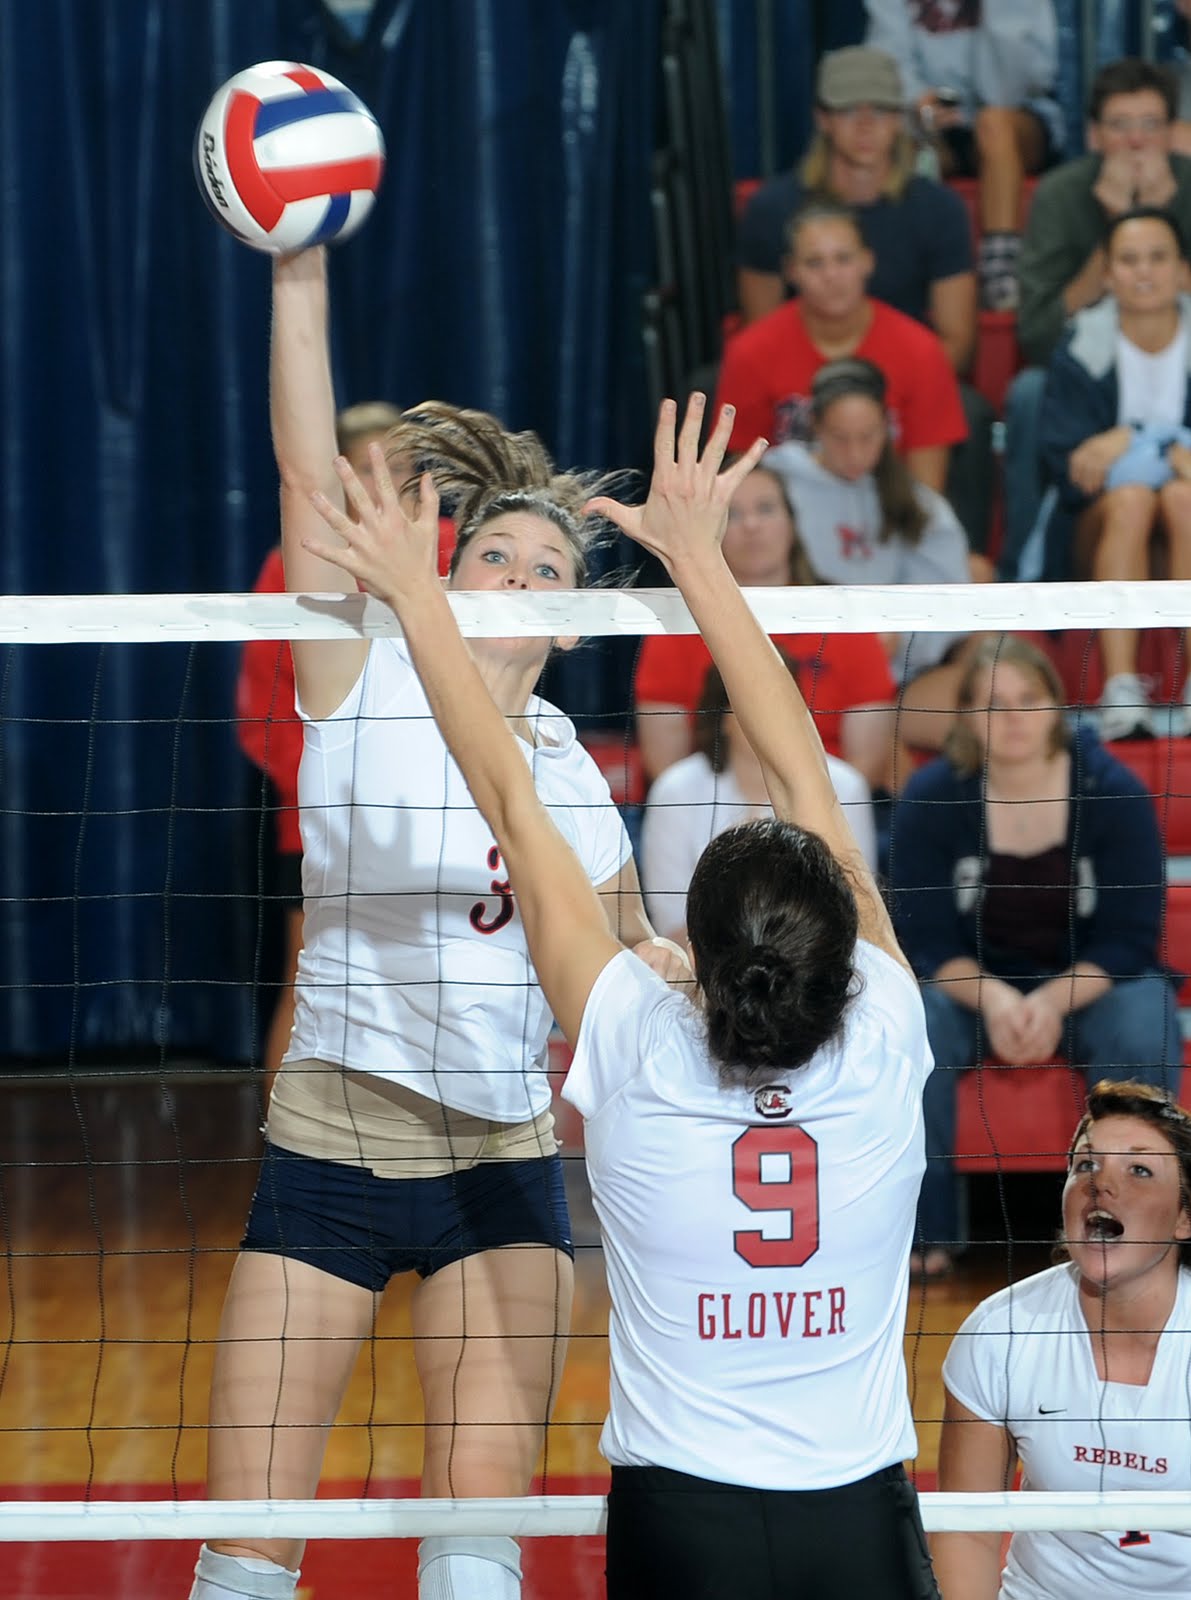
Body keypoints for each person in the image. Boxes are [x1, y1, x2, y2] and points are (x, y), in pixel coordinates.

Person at [303, 390, 940, 1599]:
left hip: (680, 1515)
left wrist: (419, 594)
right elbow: (807, 766)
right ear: (844, 955)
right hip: (853, 1514)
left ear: (691, 947)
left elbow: (503, 786)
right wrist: (701, 557)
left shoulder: (636, 1039)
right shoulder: (887, 1032)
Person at [188, 247, 683, 1600]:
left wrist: (736, 979)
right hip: (334, 1141)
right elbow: (304, 478)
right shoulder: (360, 673)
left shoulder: (579, 774)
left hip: (503, 1163)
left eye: (547, 565)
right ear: (443, 572)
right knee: (244, 1561)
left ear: (578, 618)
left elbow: (634, 954)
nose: (523, 575)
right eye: (495, 554)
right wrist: (298, 272)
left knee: (475, 1562)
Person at [889, 634, 1180, 1280]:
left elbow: (1132, 936)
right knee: (914, 1022)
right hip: (967, 985)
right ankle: (922, 1234)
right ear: (964, 716)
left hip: (1087, 981)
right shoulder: (932, 798)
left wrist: (1048, 1000)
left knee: (1143, 1019)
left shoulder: (1111, 790)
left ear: (1055, 705)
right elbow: (924, 939)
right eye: (992, 704)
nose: (1012, 718)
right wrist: (994, 998)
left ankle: (1138, 1224)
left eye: (1027, 699)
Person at [733, 45, 994, 570]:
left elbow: (957, 339)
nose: (867, 125)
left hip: (899, 375)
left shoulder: (936, 209)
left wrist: (877, 391)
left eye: (882, 110)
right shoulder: (771, 210)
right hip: (799, 381)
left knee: (967, 407)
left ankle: (956, 557)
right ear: (823, 119)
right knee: (718, 377)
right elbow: (762, 331)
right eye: (851, 110)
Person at [933, 1080, 1191, 1599]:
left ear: (1184, 1218)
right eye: (1085, 1165)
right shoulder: (1000, 1332)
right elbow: (967, 1531)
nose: (1101, 1184)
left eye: (1139, 1169)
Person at [236, 400, 406, 1100]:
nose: (385, 480)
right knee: (309, 981)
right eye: (369, 467)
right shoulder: (293, 568)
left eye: (400, 467)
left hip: (424, 815)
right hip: (317, 823)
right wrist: (339, 779)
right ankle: (286, 1141)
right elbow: (261, 719)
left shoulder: (450, 553)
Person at [1004, 59, 1191, 579]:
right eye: (1119, 126)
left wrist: (1156, 230)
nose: (1135, 142)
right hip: (1086, 382)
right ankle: (1021, 567)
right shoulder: (1062, 193)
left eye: (1150, 125)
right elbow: (1037, 336)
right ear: (1093, 134)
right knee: (1028, 392)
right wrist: (1115, 236)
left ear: (1174, 132)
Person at [632, 458, 897, 790]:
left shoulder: (843, 620)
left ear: (792, 524)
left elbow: (867, 766)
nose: (752, 525)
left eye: (766, 508)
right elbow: (664, 765)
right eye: (734, 514)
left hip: (829, 803)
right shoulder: (675, 628)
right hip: (713, 810)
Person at [1037, 207, 1191, 739]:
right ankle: (1121, 687)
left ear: (1183, 272)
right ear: (1107, 274)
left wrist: (1134, 437)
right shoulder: (1080, 347)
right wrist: (1168, 447)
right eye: (1128, 259)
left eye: (1157, 257)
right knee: (1132, 499)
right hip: (1099, 529)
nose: (1143, 271)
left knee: (1182, 499)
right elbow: (1070, 469)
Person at [717, 199, 968, 500]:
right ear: (791, 271)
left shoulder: (921, 351)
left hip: (890, 522)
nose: (831, 275)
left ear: (868, 261)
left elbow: (926, 494)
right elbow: (745, 488)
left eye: (844, 259)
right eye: (814, 262)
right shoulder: (750, 352)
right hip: (787, 529)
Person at [763, 357, 970, 713]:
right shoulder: (775, 484)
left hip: (893, 676)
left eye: (868, 437)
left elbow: (947, 597)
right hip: (793, 665)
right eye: (840, 438)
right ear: (815, 427)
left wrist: (904, 638)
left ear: (888, 428)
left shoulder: (918, 504)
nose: (855, 453)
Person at [639, 653, 879, 942]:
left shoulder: (844, 787)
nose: (770, 719)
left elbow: (858, 910)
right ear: (723, 717)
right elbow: (671, 921)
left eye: (782, 705)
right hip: (701, 969)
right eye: (754, 705)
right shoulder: (675, 792)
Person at [864, 0, 1060, 312]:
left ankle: (1001, 268)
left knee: (992, 124)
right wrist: (917, 100)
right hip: (931, 123)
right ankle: (913, 264)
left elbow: (1021, 84)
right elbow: (884, 63)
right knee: (902, 146)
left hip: (1014, 120)